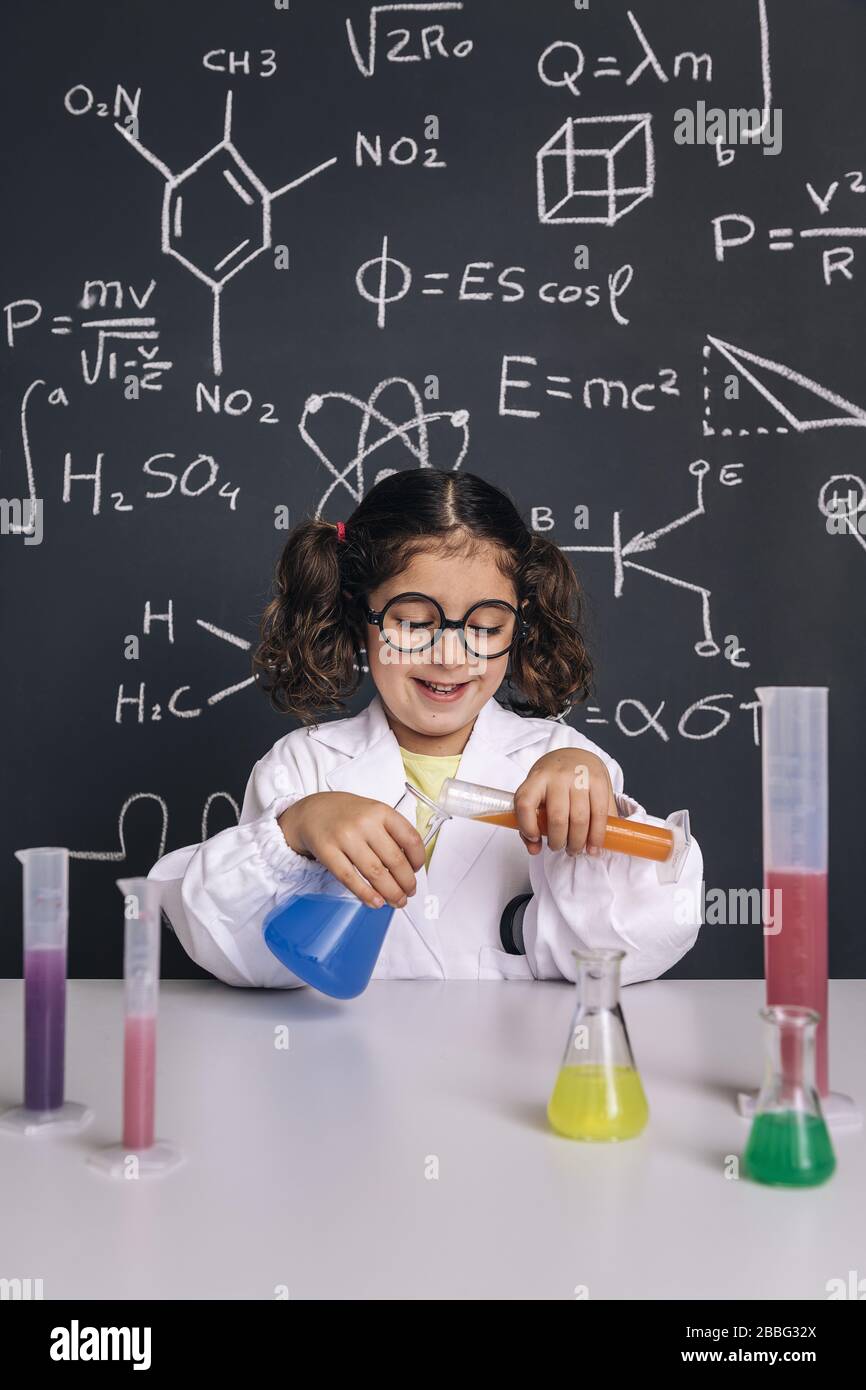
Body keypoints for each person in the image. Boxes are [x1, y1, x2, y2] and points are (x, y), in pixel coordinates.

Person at [148, 469, 703, 987]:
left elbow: (639, 941)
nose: (450, 655)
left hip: (505, 1074)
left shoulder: (566, 761)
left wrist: (592, 821)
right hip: (344, 1078)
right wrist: (296, 831)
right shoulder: (305, 768)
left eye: (486, 626)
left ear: (520, 620)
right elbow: (234, 951)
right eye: (413, 623)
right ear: (356, 613)